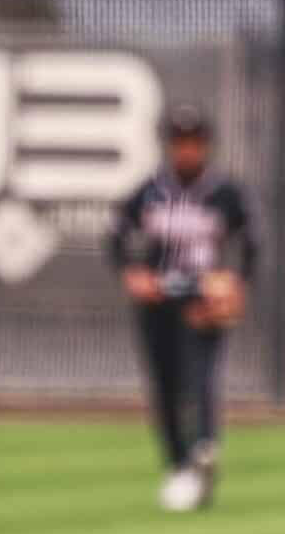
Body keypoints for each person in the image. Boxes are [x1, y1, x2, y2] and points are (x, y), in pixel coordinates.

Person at [109, 105, 258, 512]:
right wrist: (133, 271)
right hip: (158, 302)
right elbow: (118, 232)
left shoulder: (224, 192)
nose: (187, 151)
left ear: (205, 145)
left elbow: (250, 241)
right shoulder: (153, 189)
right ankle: (179, 466)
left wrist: (236, 283)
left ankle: (205, 449)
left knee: (202, 378)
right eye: (180, 143)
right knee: (166, 387)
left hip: (202, 300)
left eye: (194, 143)